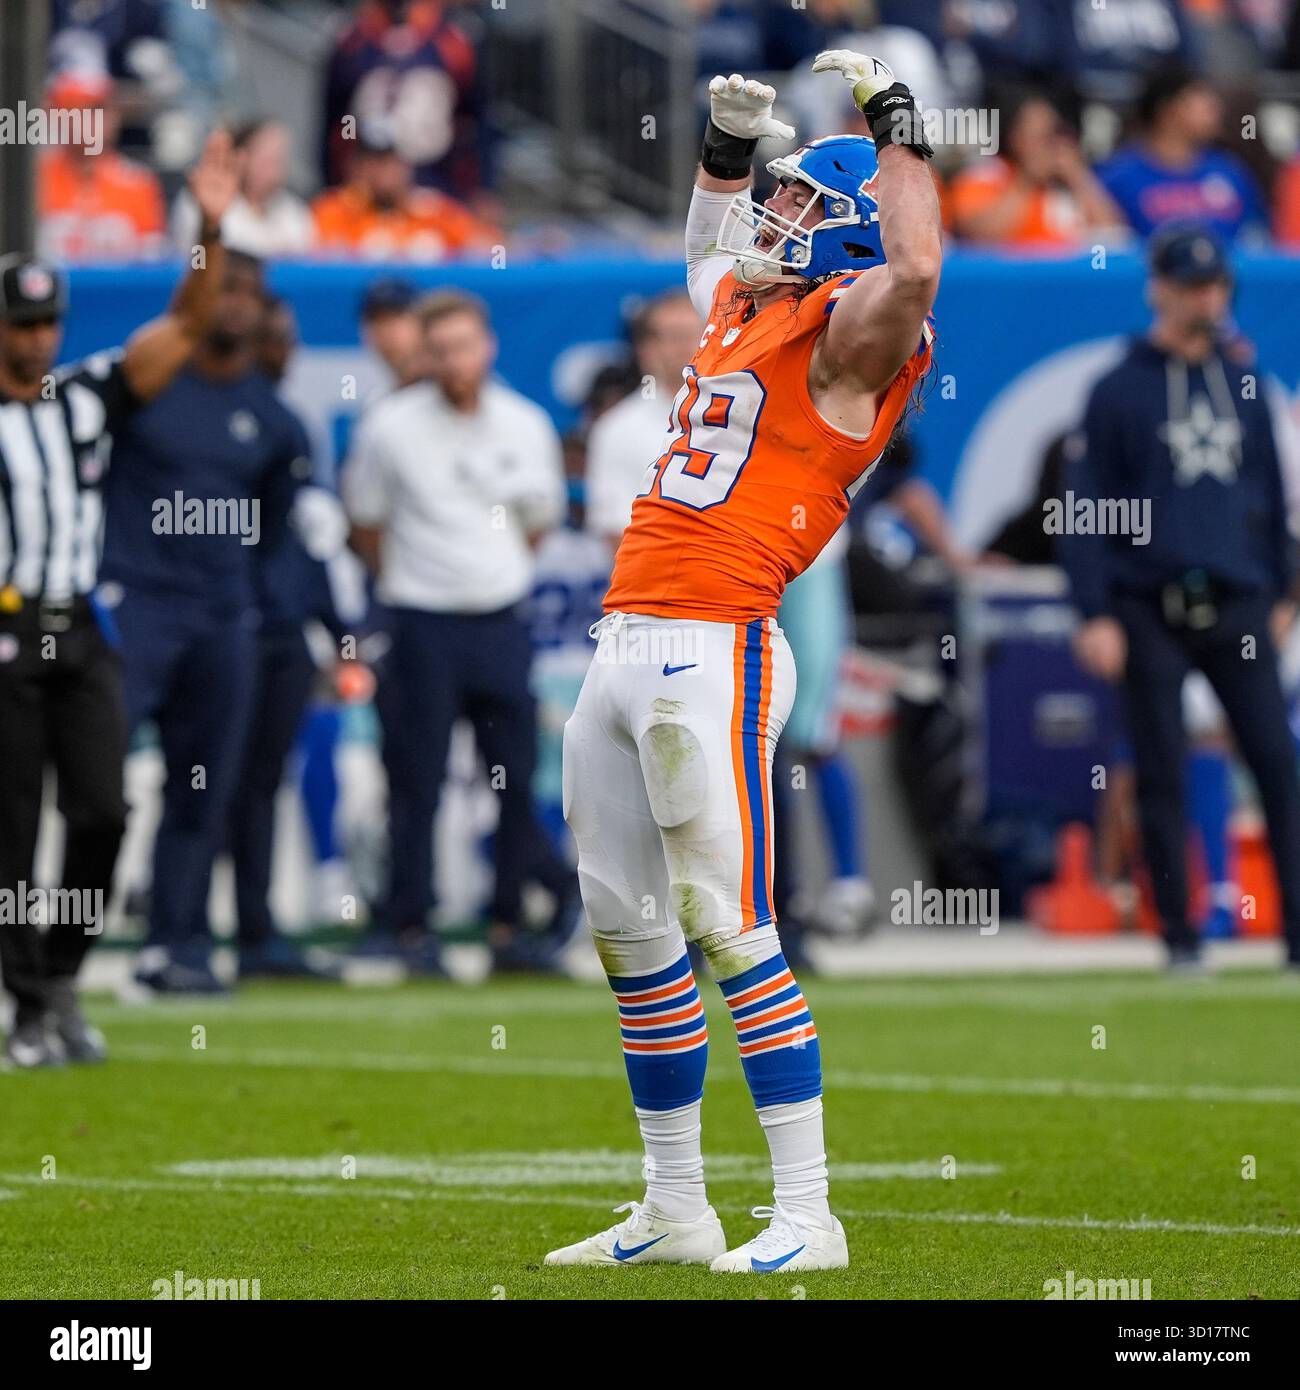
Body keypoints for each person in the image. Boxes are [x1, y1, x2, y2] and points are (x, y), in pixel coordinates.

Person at [549, 55, 939, 1273]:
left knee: (729, 924)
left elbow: (916, 264)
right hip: (624, 639)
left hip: (715, 643)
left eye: (804, 210)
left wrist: (895, 124)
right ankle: (676, 1204)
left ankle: (809, 1212)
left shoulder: (852, 343)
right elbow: (707, 240)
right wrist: (724, 144)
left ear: (852, 241)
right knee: (628, 931)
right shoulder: (747, 305)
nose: (776, 220)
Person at [0, 131, 239, 1063]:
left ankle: (58, 976)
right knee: (13, 832)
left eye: (46, 322)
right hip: (8, 635)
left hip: (81, 632)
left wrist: (210, 224)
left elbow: (186, 322)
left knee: (103, 811)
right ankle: (27, 1005)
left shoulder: (85, 395)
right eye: (20, 325)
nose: (36, 338)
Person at [1061, 225, 1300, 971]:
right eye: (1193, 284)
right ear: (1158, 288)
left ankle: (1294, 937)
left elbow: (1274, 494)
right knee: (1160, 770)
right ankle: (1180, 937)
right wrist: (1094, 609)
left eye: (1217, 285)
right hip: (1147, 604)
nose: (1207, 297)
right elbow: (1086, 505)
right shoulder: (1117, 388)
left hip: (1239, 600)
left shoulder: (1248, 384)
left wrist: (1286, 589)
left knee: (1276, 763)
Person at [342, 290, 574, 974]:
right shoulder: (390, 426)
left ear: (488, 346)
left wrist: (492, 574)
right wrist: (415, 581)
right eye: (438, 349)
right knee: (416, 782)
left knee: (514, 778)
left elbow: (540, 521)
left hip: (500, 620)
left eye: (464, 345)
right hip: (422, 622)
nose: (453, 362)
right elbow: (366, 524)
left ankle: (508, 927)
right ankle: (412, 929)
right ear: (424, 353)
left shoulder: (525, 424)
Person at [101, 250, 310, 995]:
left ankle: (174, 943)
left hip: (224, 616)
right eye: (221, 287)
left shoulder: (275, 417)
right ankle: (44, 939)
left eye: (248, 293)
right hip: (136, 608)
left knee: (203, 789)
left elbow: (277, 534)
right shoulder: (147, 388)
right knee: (94, 780)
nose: (234, 304)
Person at [583, 289, 703, 552]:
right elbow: (616, 529)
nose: (686, 346)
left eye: (695, 335)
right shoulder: (616, 429)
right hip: (655, 581)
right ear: (647, 349)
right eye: (674, 336)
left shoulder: (747, 413)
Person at [1097, 64, 1267, 243]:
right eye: (1201, 99)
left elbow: (1257, 238)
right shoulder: (1119, 176)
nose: (1215, 108)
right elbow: (1110, 243)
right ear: (1168, 110)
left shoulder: (1230, 171)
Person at [950, 88, 1123, 250]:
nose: (1047, 144)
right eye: (1037, 135)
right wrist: (1026, 181)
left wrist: (1078, 177)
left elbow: (1114, 235)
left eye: (1052, 133)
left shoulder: (1066, 182)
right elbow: (977, 236)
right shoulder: (986, 174)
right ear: (1013, 136)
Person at [311, 122, 496, 262]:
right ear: (357, 166)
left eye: (390, 161)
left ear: (406, 166)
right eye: (373, 161)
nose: (382, 172)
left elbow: (489, 248)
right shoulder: (335, 210)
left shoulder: (434, 210)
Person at [36, 69, 166, 262]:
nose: (89, 121)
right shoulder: (33, 179)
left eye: (98, 110)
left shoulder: (138, 183)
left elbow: (152, 263)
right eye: (74, 110)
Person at [172, 119, 314, 259]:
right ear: (241, 159)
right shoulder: (200, 201)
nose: (276, 172)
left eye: (281, 161)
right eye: (268, 160)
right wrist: (209, 223)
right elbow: (198, 265)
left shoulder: (293, 211)